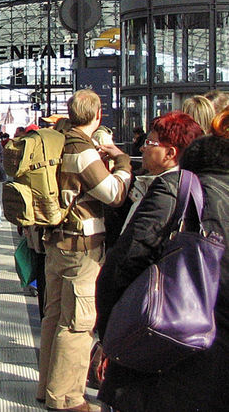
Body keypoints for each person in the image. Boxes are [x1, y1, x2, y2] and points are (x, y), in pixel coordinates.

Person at [96, 111, 229, 412]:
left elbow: (121, 266)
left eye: (149, 142)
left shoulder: (178, 190)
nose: (142, 147)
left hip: (164, 353)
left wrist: (109, 337)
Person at [37, 90, 131, 412]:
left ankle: (46, 388)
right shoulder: (82, 149)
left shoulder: (58, 141)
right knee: (76, 325)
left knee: (53, 317)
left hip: (55, 245)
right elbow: (114, 193)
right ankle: (65, 399)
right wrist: (121, 160)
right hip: (82, 249)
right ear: (98, 114)